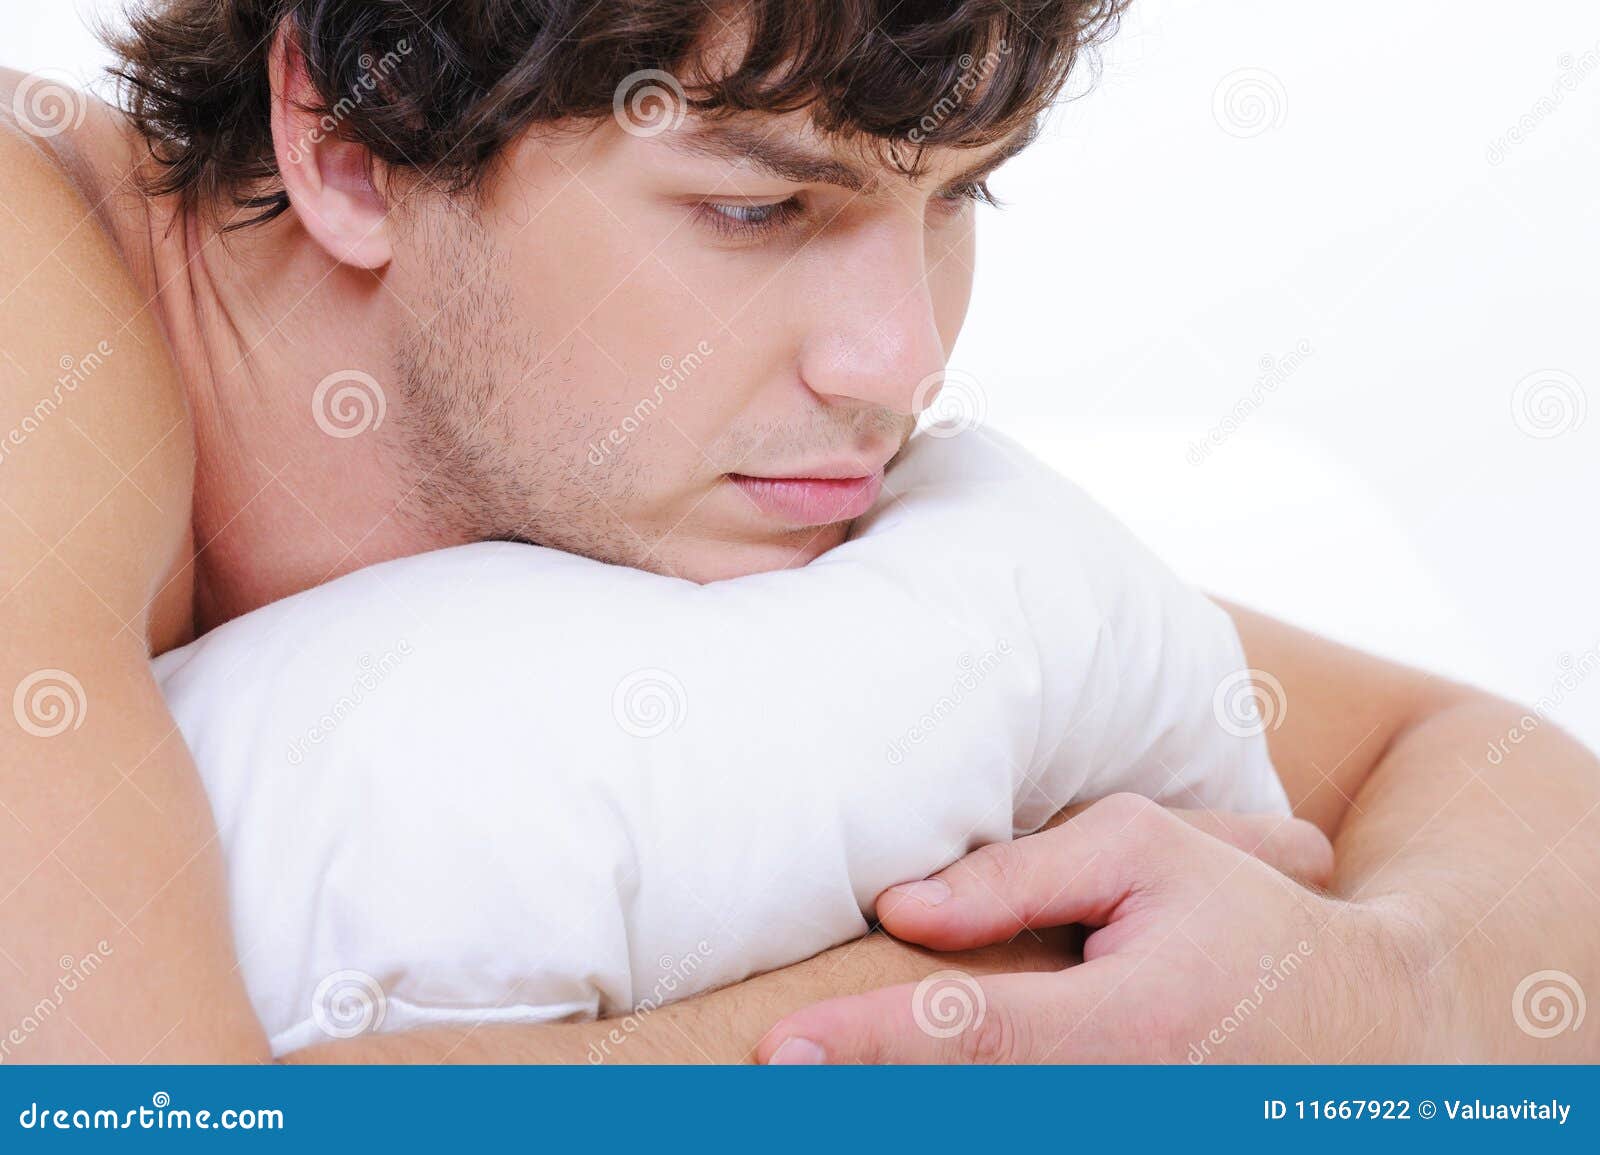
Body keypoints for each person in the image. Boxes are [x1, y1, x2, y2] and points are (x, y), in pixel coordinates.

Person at [0, 0, 1594, 1064]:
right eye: (760, 213)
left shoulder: (683, 461)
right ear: (351, 142)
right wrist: (1022, 990)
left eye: (958, 197)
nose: (901, 362)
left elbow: (1483, 771)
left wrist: (1388, 985)